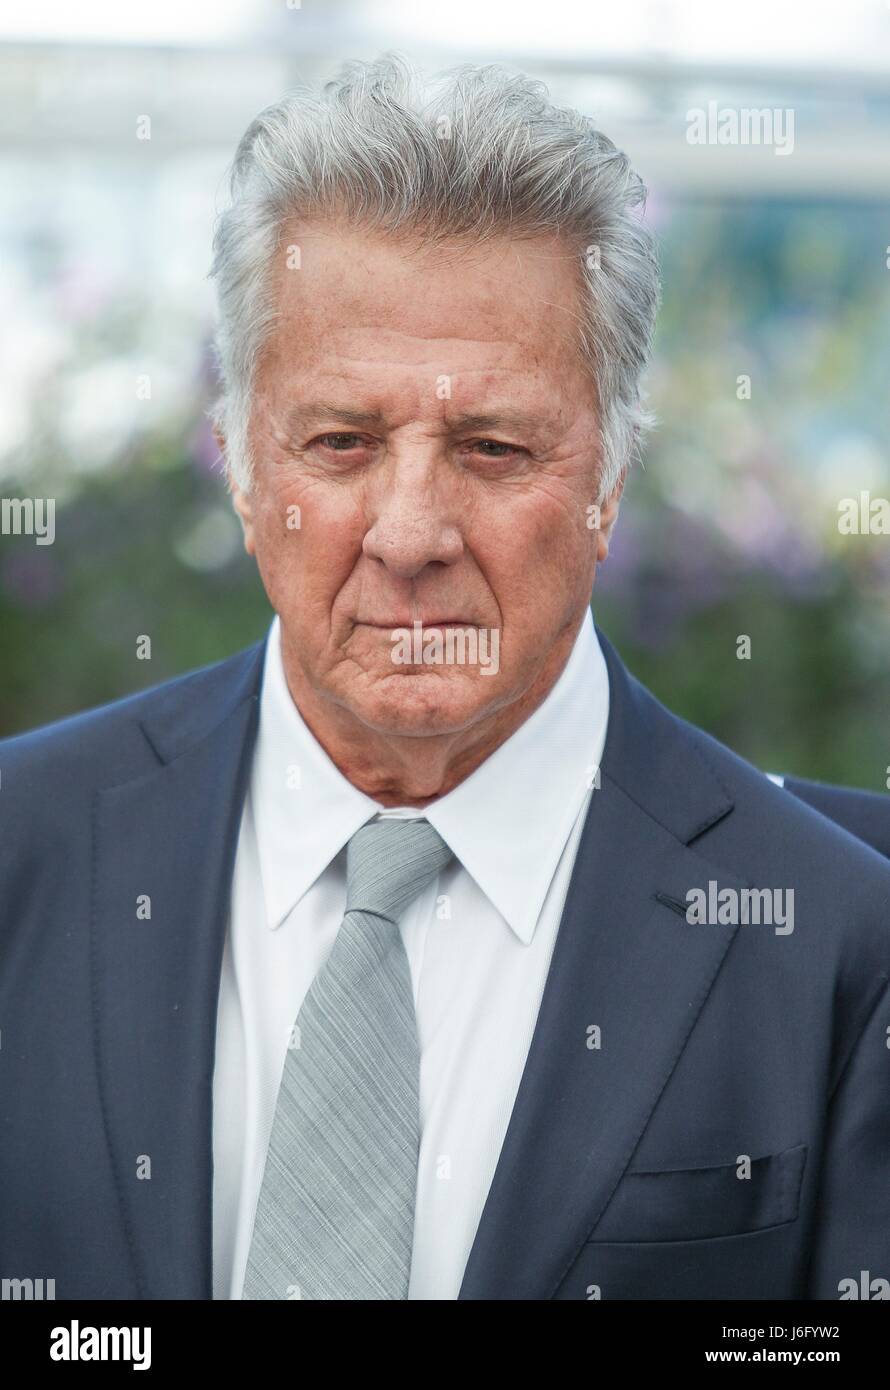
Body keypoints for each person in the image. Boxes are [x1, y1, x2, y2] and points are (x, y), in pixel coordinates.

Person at [1, 55, 888, 1301]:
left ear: (608, 480)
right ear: (244, 472)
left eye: (491, 447)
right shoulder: (21, 851)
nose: (410, 532)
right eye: (340, 443)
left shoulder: (845, 938)